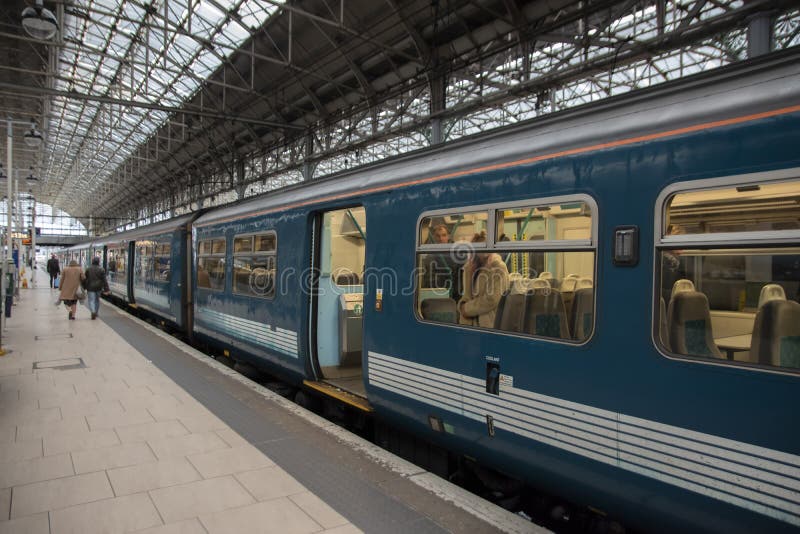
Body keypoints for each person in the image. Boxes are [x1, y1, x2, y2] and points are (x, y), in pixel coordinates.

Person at [458, 231, 509, 328]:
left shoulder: (498, 268)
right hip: (469, 323)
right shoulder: (470, 268)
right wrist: (462, 306)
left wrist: (467, 309)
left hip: (488, 323)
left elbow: (492, 299)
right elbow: (467, 295)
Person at [423, 224, 463, 299]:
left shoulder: (457, 253)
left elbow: (461, 276)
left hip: (453, 294)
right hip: (434, 293)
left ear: (448, 236)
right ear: (434, 237)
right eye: (438, 236)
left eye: (444, 235)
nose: (441, 239)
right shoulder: (428, 253)